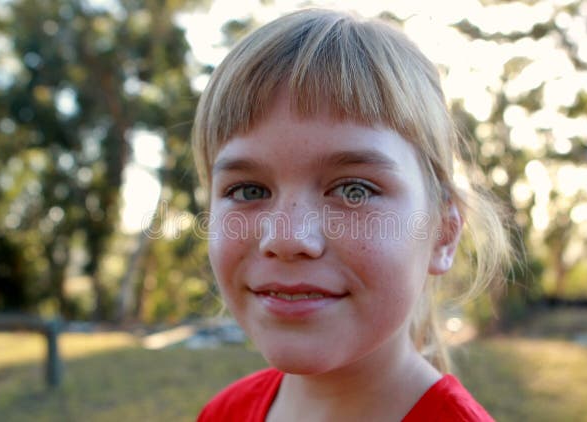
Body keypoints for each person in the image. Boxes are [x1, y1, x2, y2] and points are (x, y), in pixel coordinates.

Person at [193, 8, 511, 421]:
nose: (287, 238)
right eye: (248, 190)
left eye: (354, 191)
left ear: (444, 233)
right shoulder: (222, 414)